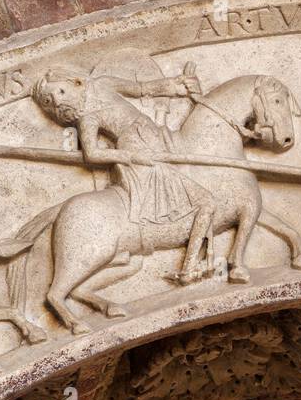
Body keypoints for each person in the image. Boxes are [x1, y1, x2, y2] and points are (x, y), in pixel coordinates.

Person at [31, 66, 217, 282]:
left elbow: (141, 89)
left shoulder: (102, 84)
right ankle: (188, 265)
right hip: (138, 152)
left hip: (157, 136)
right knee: (205, 201)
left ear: (75, 82)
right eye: (49, 102)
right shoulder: (87, 119)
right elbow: (91, 154)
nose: (58, 101)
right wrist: (130, 157)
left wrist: (177, 85)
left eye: (61, 92)